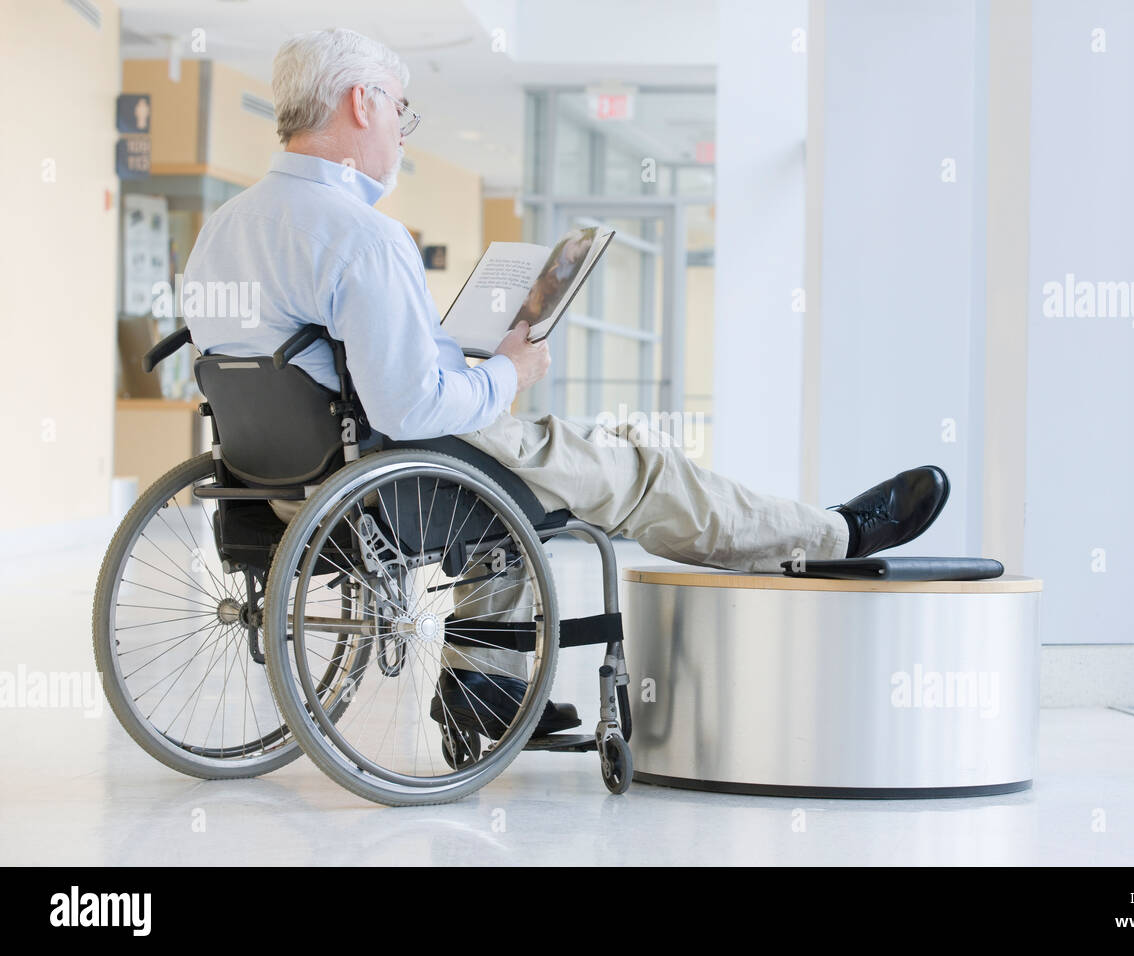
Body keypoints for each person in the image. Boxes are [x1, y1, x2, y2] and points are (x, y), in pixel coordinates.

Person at [184, 28, 949, 738]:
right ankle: (834, 536)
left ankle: (486, 681)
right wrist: (506, 373)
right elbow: (407, 405)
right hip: (390, 484)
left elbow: (312, 366)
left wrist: (459, 357)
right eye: (398, 111)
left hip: (282, 488)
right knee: (640, 469)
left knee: (523, 496)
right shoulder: (363, 235)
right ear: (362, 102)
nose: (398, 133)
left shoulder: (224, 227)